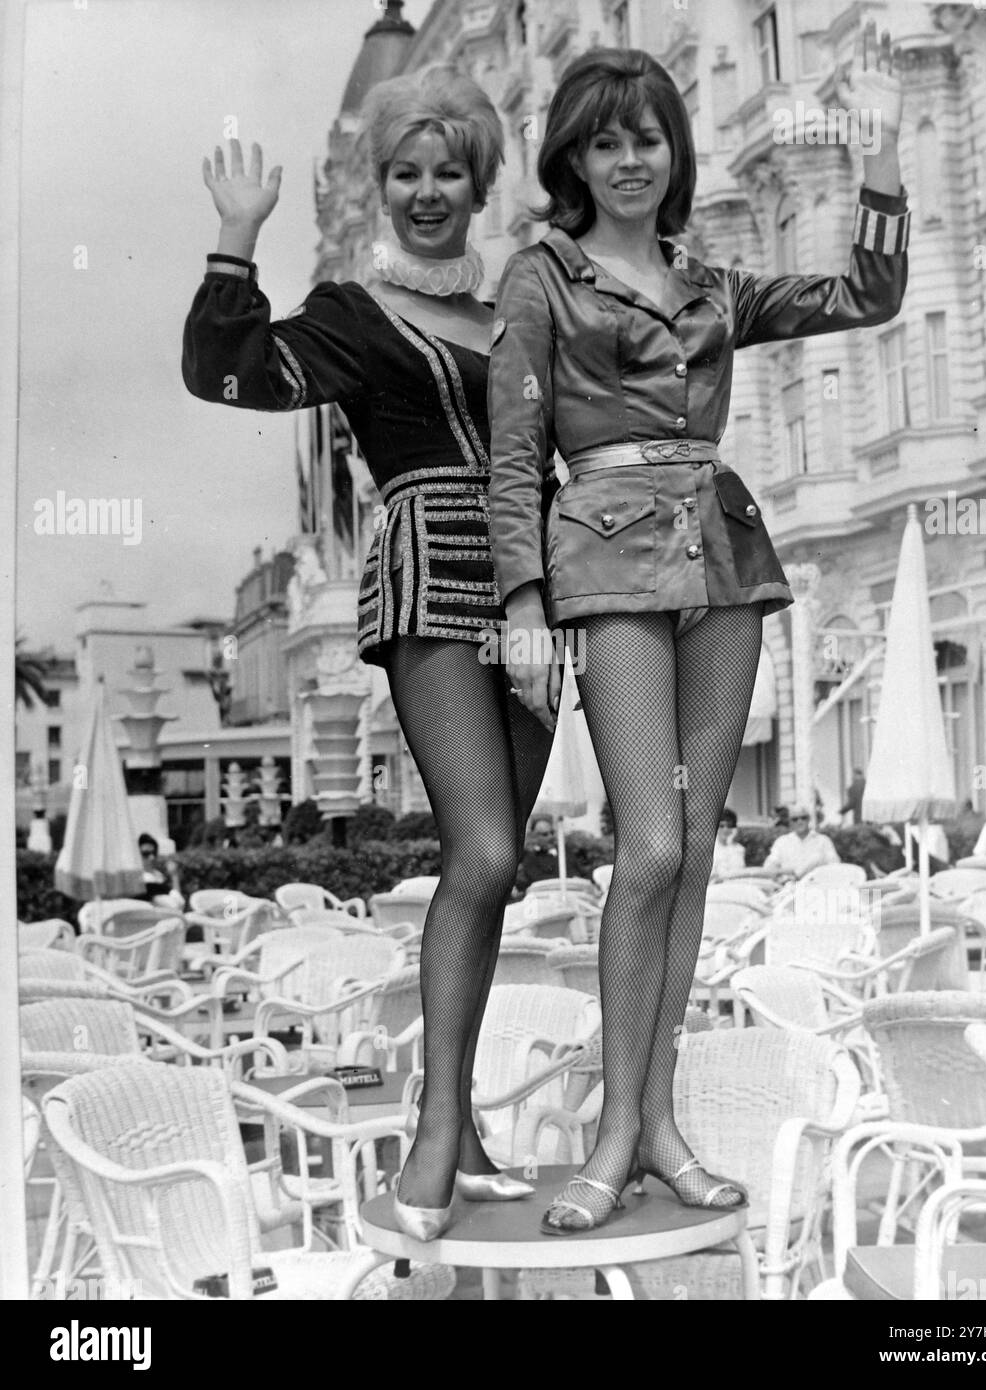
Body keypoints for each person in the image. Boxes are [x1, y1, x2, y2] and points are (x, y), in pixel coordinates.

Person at [488, 30, 908, 1233]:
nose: (629, 159)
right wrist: (523, 602)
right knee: (653, 847)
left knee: (700, 856)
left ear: (675, 150)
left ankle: (657, 1122)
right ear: (573, 155)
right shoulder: (542, 276)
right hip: (607, 563)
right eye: (605, 141)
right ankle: (616, 1128)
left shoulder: (712, 282)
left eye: (647, 137)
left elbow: (865, 294)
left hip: (722, 553)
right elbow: (515, 452)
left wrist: (875, 162)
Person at [182, 67, 556, 1242]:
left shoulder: (512, 315)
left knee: (493, 876)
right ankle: (434, 1128)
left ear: (480, 182)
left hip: (535, 592)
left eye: (450, 171)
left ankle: (469, 1128)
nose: (428, 192)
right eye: (406, 173)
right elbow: (225, 372)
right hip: (428, 575)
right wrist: (235, 240)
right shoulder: (353, 311)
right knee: (483, 846)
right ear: (380, 186)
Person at [762, 806, 842, 882]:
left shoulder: (823, 841)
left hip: (816, 886)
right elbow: (769, 867)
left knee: (818, 857)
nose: (799, 821)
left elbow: (835, 866)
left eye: (803, 818)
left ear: (809, 819)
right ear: (790, 821)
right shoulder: (781, 842)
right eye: (795, 819)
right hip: (789, 887)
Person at [710, 808, 746, 879]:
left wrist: (730, 844)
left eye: (729, 826)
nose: (725, 829)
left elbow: (738, 871)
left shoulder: (739, 849)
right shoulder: (710, 848)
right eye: (721, 826)